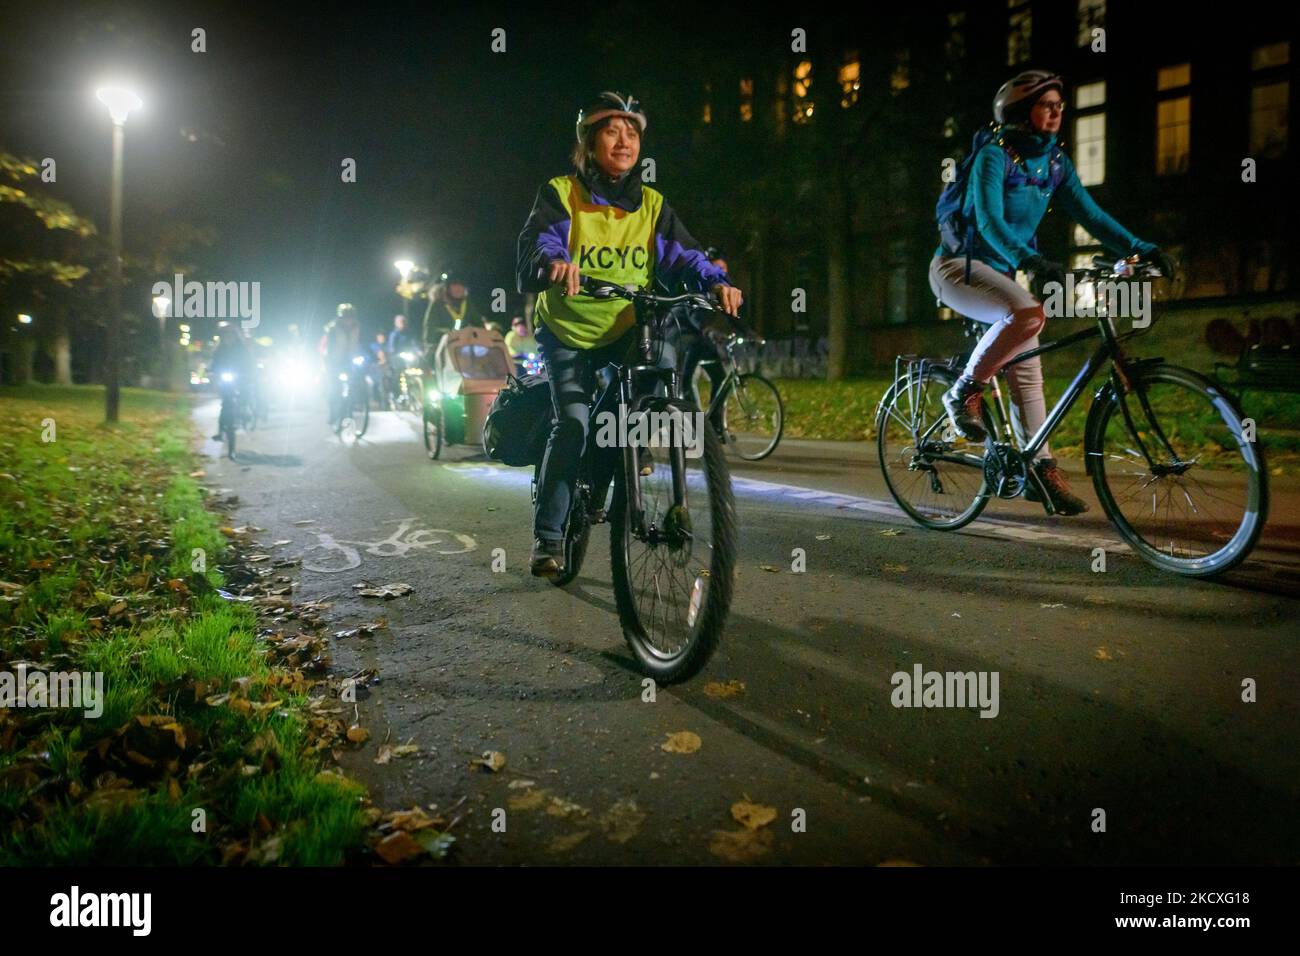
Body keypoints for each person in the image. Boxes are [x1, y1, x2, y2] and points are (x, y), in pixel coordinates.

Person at [516, 91, 743, 577]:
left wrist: (716, 283)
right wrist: (553, 263)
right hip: (569, 332)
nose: (624, 140)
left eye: (633, 132)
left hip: (624, 328)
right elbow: (541, 240)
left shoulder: (652, 205)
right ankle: (549, 535)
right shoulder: (562, 193)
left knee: (661, 365)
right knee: (574, 422)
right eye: (612, 130)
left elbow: (686, 256)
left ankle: (628, 444)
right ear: (589, 141)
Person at [930, 70, 1175, 516]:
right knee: (1028, 313)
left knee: (1028, 369)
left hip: (1001, 271)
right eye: (1047, 105)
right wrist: (1030, 261)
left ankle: (1038, 470)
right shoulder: (993, 156)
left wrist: (1142, 247)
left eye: (1060, 104)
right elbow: (988, 223)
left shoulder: (1056, 164)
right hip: (957, 269)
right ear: (1022, 113)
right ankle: (964, 390)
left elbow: (1093, 216)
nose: (1058, 111)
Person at [322, 304, 362, 424]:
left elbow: (360, 343)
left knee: (355, 382)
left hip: (349, 360)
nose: (348, 321)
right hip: (334, 361)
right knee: (335, 388)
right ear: (340, 318)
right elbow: (328, 348)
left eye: (350, 318)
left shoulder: (357, 328)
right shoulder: (332, 329)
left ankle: (352, 405)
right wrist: (329, 363)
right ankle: (333, 413)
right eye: (345, 318)